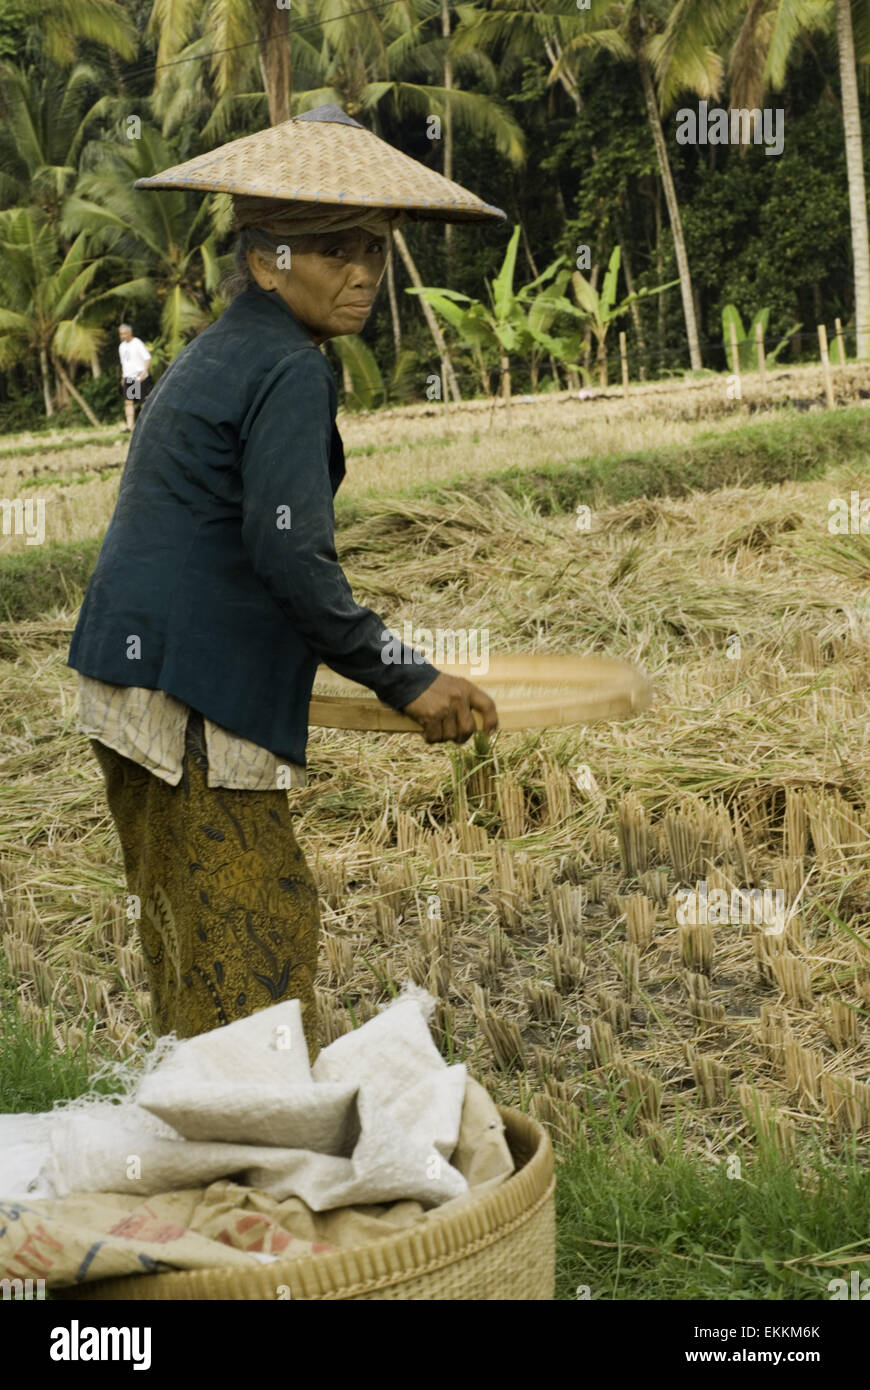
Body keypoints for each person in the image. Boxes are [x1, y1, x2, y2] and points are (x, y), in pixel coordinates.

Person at [67, 106, 505, 1065]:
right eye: (336, 250)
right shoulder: (288, 370)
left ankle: (219, 1182)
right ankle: (256, 1178)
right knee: (254, 974)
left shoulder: (226, 349)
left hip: (135, 680)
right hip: (187, 701)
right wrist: (407, 676)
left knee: (197, 959)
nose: (364, 276)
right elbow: (292, 561)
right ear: (268, 259)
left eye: (376, 254)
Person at [117, 324, 152, 431]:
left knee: (143, 402)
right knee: (129, 402)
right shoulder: (122, 347)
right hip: (129, 377)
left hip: (139, 376)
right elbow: (124, 363)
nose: (122, 336)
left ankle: (146, 425)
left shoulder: (137, 343)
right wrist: (123, 377)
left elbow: (147, 358)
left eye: (124, 333)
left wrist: (144, 372)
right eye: (121, 334)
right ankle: (130, 426)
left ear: (130, 333)